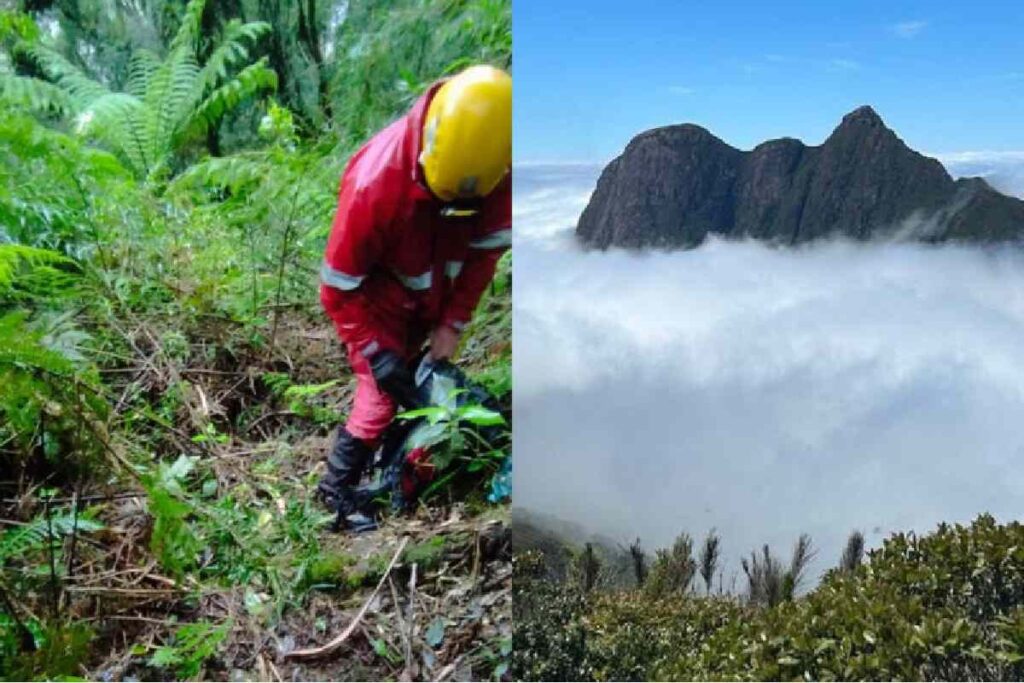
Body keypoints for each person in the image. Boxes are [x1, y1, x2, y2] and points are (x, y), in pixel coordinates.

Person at [318, 65, 512, 531]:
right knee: (382, 392)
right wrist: (374, 352)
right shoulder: (374, 185)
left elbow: (482, 258)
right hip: (375, 301)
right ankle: (335, 490)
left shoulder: (495, 168)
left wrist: (452, 324)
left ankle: (390, 460)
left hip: (430, 299)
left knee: (415, 383)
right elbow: (338, 286)